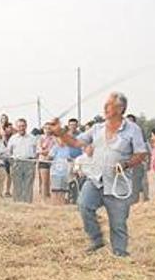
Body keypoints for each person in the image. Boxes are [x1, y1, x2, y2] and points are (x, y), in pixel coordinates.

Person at [52, 92, 148, 257]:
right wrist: (61, 132)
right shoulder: (97, 128)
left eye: (109, 105)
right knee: (83, 205)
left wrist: (126, 164)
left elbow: (141, 153)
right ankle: (96, 240)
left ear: (120, 108)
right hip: (96, 179)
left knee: (118, 223)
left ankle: (119, 253)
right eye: (105, 104)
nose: (105, 108)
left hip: (118, 183)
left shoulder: (133, 129)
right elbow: (75, 142)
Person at [6, 118, 37, 203]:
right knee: (17, 185)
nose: (21, 128)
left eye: (23, 126)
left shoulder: (32, 138)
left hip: (29, 163)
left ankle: (27, 204)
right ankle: (17, 203)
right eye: (19, 126)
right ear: (16, 127)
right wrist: (12, 163)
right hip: (17, 163)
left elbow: (36, 151)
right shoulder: (13, 138)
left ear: (26, 126)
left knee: (28, 185)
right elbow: (8, 152)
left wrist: (33, 161)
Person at [49, 135, 74, 205]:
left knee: (63, 190)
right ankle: (54, 204)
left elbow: (71, 158)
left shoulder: (68, 148)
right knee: (55, 190)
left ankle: (61, 204)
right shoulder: (54, 148)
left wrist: (70, 160)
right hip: (55, 172)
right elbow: (49, 157)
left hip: (65, 172)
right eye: (59, 139)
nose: (61, 141)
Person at [36, 123, 55, 202]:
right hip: (43, 161)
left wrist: (46, 151)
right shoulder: (40, 138)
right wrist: (46, 151)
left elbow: (54, 150)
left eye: (49, 128)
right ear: (43, 129)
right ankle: (43, 199)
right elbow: (39, 150)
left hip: (52, 161)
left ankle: (50, 197)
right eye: (46, 128)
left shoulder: (54, 139)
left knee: (51, 181)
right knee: (44, 181)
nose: (47, 130)